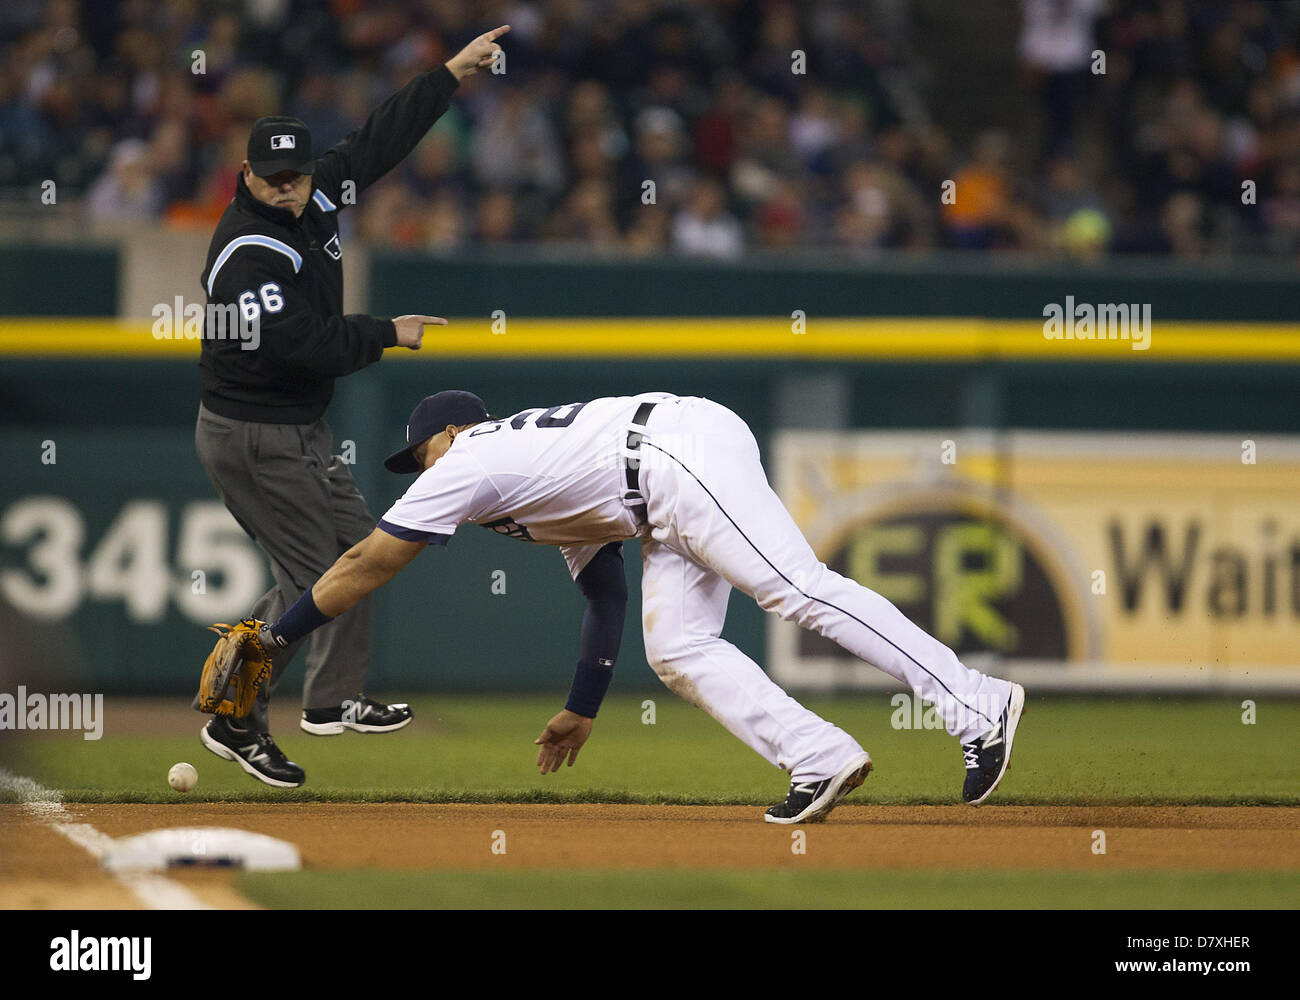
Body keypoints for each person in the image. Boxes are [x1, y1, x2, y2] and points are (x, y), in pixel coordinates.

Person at [222, 390, 1026, 820]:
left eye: (419, 452)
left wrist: (273, 637)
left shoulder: (469, 460)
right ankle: (819, 757)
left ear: (455, 431)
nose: (417, 469)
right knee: (675, 646)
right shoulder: (535, 487)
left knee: (797, 589)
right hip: (653, 496)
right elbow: (604, 593)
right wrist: (582, 706)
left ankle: (976, 703)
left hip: (675, 455)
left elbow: (369, 562)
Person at [193, 26, 511, 788]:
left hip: (298, 428)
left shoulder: (316, 192)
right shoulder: (249, 252)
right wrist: (388, 334)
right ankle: (236, 718)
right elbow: (305, 345)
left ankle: (329, 701)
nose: (287, 187)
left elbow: (379, 140)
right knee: (317, 583)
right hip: (251, 434)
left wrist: (449, 75)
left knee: (368, 553)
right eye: (271, 178)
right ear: (246, 175)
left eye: (295, 175)